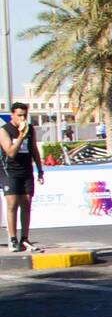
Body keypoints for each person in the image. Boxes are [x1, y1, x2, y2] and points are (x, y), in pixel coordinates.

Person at [0, 103, 45, 252]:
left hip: (26, 170)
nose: (22, 118)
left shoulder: (30, 129)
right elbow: (11, 153)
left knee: (26, 204)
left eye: (24, 115)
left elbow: (34, 149)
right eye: (19, 115)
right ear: (12, 115)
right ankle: (12, 239)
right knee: (12, 204)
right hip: (9, 171)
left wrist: (40, 169)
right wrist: (20, 135)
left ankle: (24, 239)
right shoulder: (4, 130)